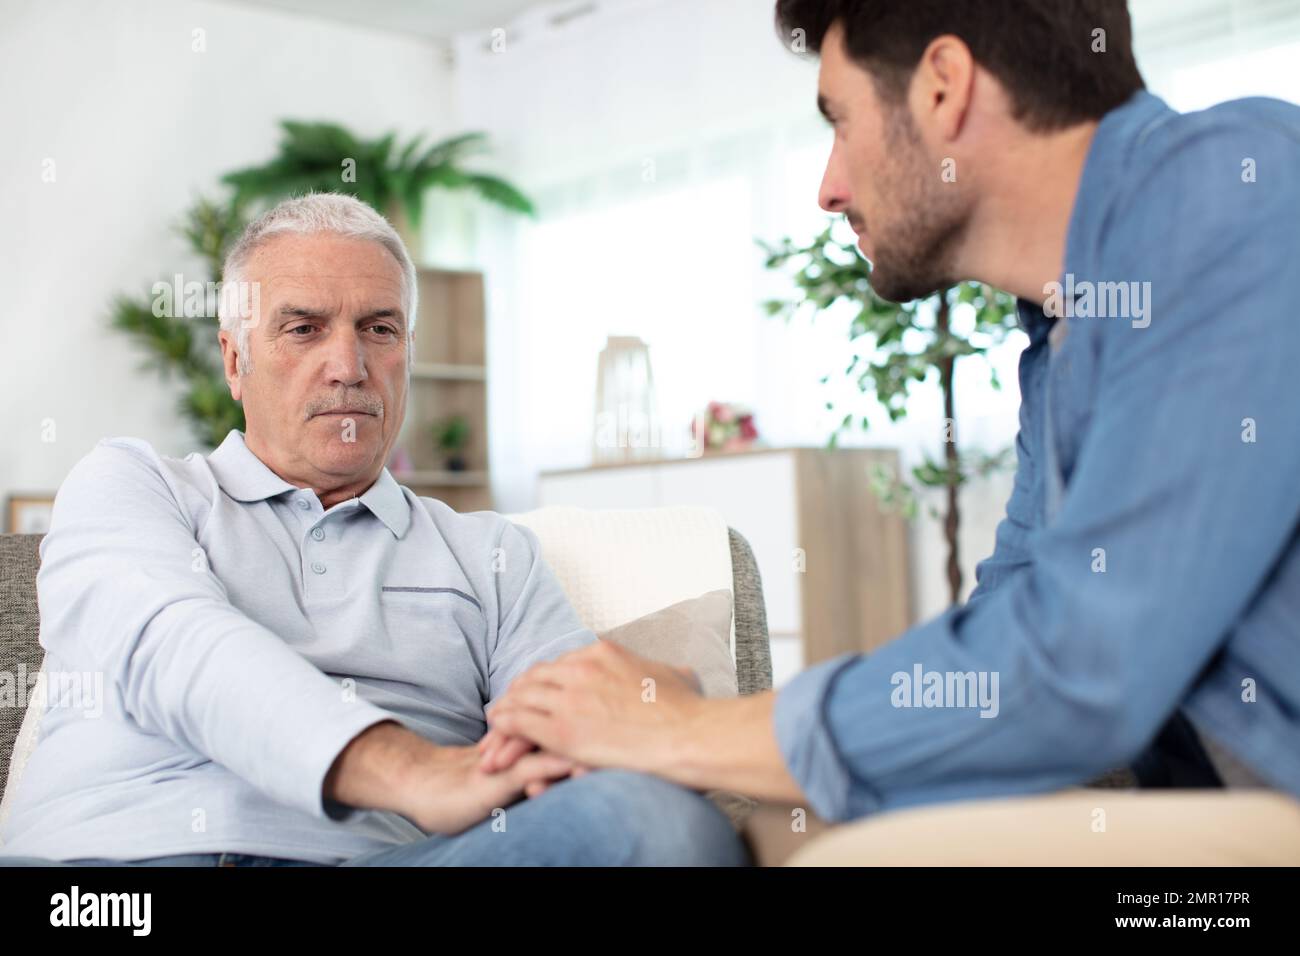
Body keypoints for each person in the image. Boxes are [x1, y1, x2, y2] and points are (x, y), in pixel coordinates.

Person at [480, 0, 1300, 864]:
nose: (827, 188)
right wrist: (688, 734)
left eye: (839, 119)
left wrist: (684, 729)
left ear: (944, 87)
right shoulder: (1063, 341)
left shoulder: (1234, 182)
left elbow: (1077, 668)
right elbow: (1008, 636)